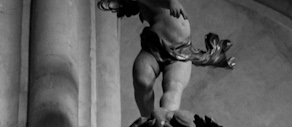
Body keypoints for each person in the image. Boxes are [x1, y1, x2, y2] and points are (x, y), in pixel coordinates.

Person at [98, 2, 233, 120]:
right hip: (154, 45)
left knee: (174, 88)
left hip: (181, 51)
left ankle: (165, 123)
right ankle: (148, 121)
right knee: (142, 80)